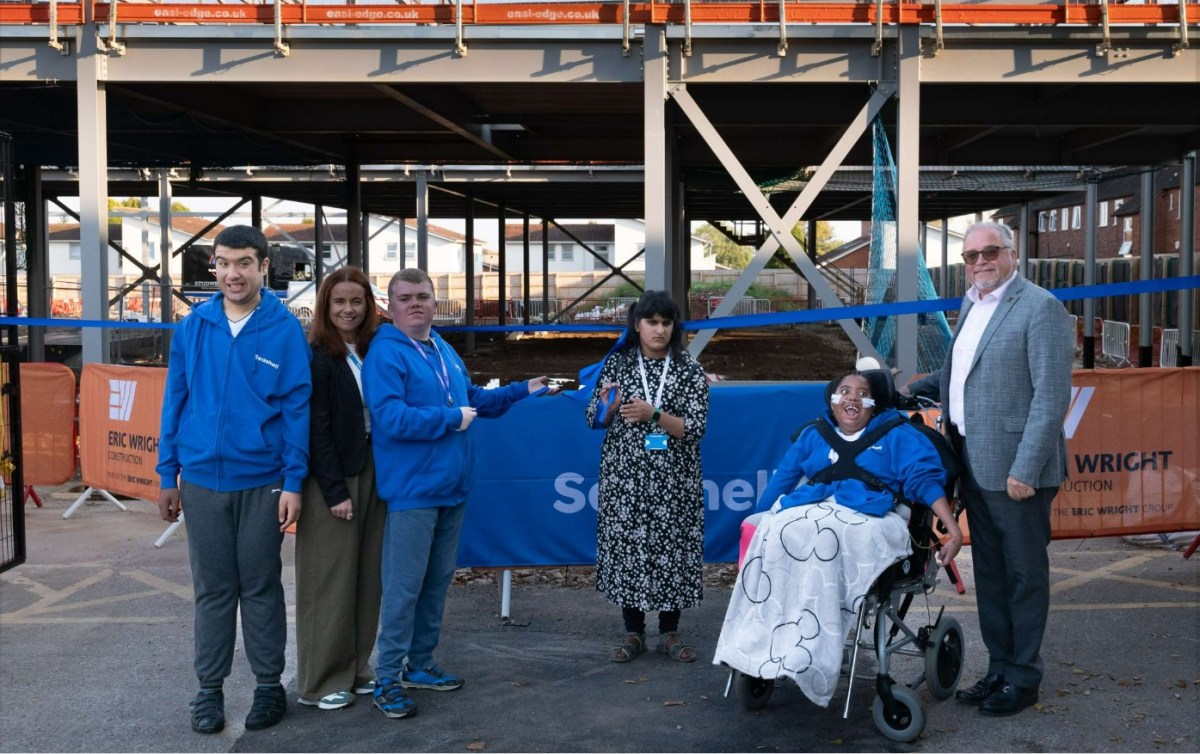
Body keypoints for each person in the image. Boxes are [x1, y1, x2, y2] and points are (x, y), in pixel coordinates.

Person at [362, 267, 553, 720]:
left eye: (423, 296)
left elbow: (468, 398)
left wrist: (520, 391)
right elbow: (391, 419)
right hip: (413, 490)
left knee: (435, 582)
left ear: (434, 302)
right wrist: (450, 419)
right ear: (390, 306)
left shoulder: (441, 348)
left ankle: (420, 663)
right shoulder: (385, 355)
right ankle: (387, 677)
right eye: (405, 297)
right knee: (405, 587)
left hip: (453, 486)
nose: (415, 303)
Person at [902, 220, 1073, 717]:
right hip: (972, 462)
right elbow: (964, 374)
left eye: (990, 252)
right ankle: (999, 666)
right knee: (993, 573)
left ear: (1012, 254)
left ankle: (1023, 677)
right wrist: (908, 386)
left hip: (1017, 471)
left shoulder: (1040, 308)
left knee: (1023, 574)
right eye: (971, 256)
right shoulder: (972, 304)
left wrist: (1025, 469)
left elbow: (1050, 397)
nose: (979, 262)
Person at [713, 370, 963, 707]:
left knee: (829, 538)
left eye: (862, 392)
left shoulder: (899, 435)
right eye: (844, 391)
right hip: (812, 513)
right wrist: (756, 518)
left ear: (874, 404)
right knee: (774, 529)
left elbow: (925, 481)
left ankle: (817, 645)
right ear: (832, 402)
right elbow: (782, 480)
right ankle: (756, 647)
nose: (853, 398)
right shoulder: (814, 434)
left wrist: (955, 530)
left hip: (873, 515)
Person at [156, 224, 312, 734]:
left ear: (264, 266)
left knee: (261, 584)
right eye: (223, 263)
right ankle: (209, 691)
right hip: (201, 479)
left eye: (243, 263)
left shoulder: (284, 329)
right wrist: (168, 474)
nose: (232, 273)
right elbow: (174, 402)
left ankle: (269, 687)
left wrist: (293, 481)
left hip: (262, 479)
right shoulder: (194, 326)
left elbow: (296, 410)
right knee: (214, 589)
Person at [585, 290, 709, 664]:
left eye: (666, 323)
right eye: (651, 322)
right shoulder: (617, 366)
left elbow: (696, 428)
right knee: (628, 551)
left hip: (674, 481)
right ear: (636, 326)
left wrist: (653, 414)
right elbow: (593, 418)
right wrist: (607, 404)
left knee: (674, 551)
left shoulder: (689, 370)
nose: (659, 330)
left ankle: (670, 632)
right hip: (626, 480)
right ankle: (632, 632)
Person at [294, 266, 384, 711]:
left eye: (356, 301)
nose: (348, 310)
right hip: (334, 477)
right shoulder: (317, 355)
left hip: (374, 470)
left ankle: (356, 667)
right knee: (329, 579)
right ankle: (319, 679)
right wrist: (333, 491)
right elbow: (316, 428)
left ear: (368, 306)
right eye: (339, 302)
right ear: (326, 307)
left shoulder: (375, 349)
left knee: (367, 577)